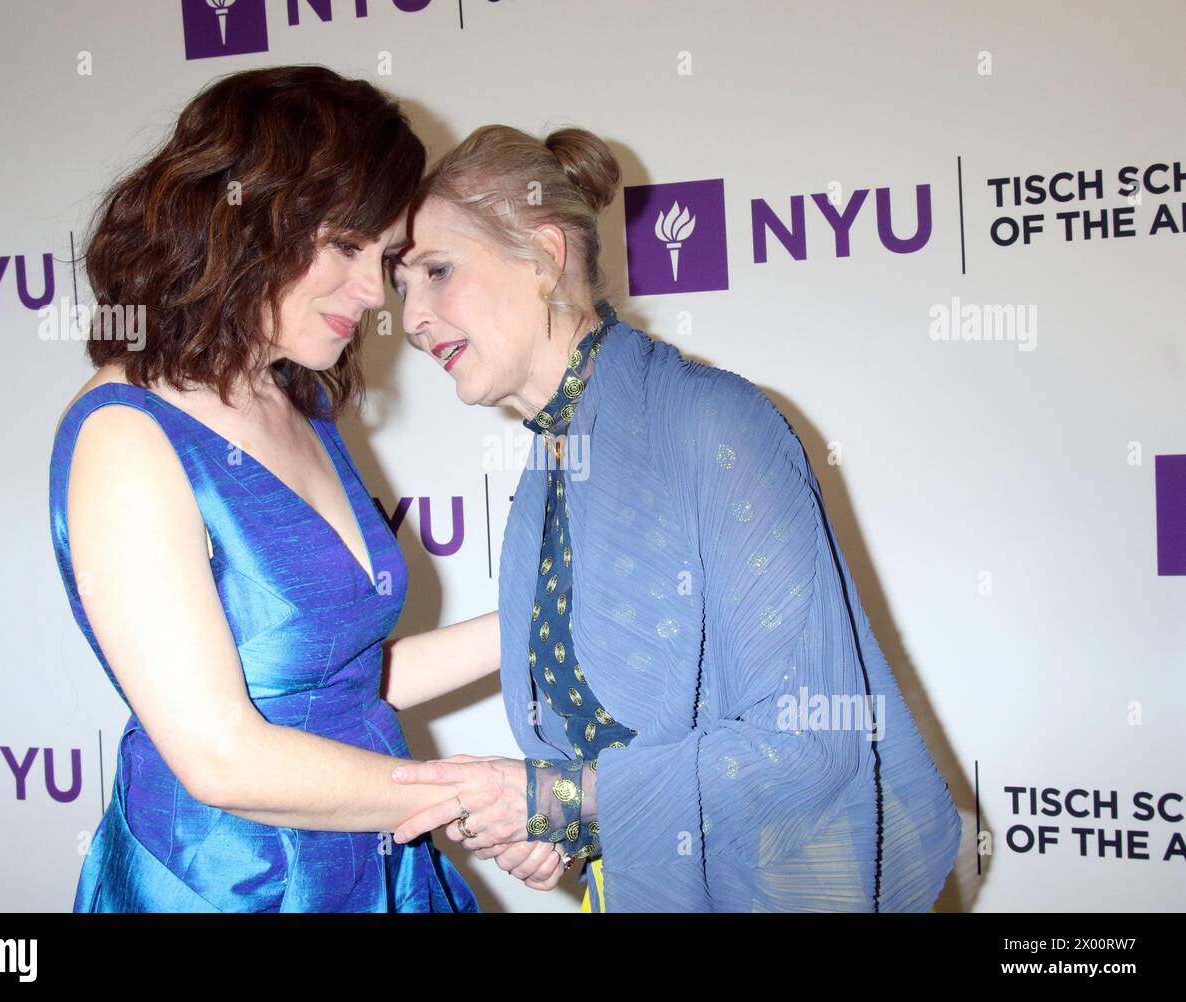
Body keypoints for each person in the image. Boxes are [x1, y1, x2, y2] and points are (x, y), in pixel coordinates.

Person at [387, 124, 963, 912]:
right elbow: (628, 750)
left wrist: (560, 795)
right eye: (401, 285)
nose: (413, 319)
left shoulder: (712, 420)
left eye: (437, 272)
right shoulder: (553, 466)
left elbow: (810, 742)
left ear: (543, 256)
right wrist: (565, 826)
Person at [48, 67, 563, 911]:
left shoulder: (298, 402)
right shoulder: (126, 431)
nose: (374, 293)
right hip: (233, 882)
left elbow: (340, 688)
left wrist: (546, 621)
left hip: (373, 858)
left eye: (385, 257)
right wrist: (490, 803)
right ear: (244, 216)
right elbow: (221, 754)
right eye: (346, 246)